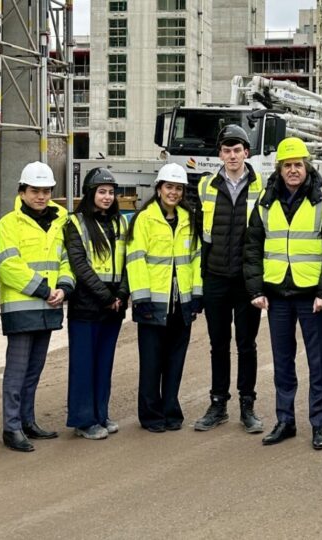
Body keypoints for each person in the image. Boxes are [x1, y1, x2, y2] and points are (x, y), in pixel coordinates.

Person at [244, 137, 322, 450]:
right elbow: (252, 248)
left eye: (297, 165)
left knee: (318, 363)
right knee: (282, 361)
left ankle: (318, 424)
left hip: (311, 295)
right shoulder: (265, 201)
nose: (292, 170)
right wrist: (256, 289)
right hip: (276, 296)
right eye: (287, 165)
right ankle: (285, 420)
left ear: (306, 167)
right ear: (279, 169)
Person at [0, 161, 74, 452]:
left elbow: (67, 258)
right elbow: (8, 266)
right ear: (22, 191)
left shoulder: (61, 220)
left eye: (46, 191)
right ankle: (11, 427)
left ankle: (27, 421)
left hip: (50, 305)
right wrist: (44, 289)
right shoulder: (8, 224)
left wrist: (64, 288)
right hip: (22, 305)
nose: (41, 196)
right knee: (17, 370)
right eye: (35, 191)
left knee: (35, 369)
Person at [193, 125, 265, 434]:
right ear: (220, 154)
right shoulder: (205, 186)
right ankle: (218, 403)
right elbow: (199, 232)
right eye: (226, 150)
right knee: (218, 344)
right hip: (216, 277)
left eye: (237, 150)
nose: (232, 155)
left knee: (246, 345)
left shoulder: (263, 187)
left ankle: (247, 405)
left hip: (247, 280)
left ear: (246, 153)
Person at [127, 163, 202, 433]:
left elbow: (195, 259)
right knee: (151, 363)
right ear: (159, 189)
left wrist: (196, 295)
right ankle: (150, 415)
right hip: (152, 305)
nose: (173, 192)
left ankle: (171, 411)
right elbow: (135, 260)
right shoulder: (144, 219)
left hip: (181, 305)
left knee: (175, 361)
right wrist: (141, 298)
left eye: (178, 188)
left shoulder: (187, 219)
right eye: (169, 187)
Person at [64, 168, 129, 440]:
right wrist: (106, 297)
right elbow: (79, 264)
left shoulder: (121, 223)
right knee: (83, 364)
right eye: (101, 191)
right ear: (90, 193)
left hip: (114, 305)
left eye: (111, 192)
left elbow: (129, 262)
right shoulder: (75, 223)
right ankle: (83, 419)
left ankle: (100, 414)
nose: (107, 197)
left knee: (104, 363)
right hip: (87, 305)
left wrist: (122, 295)